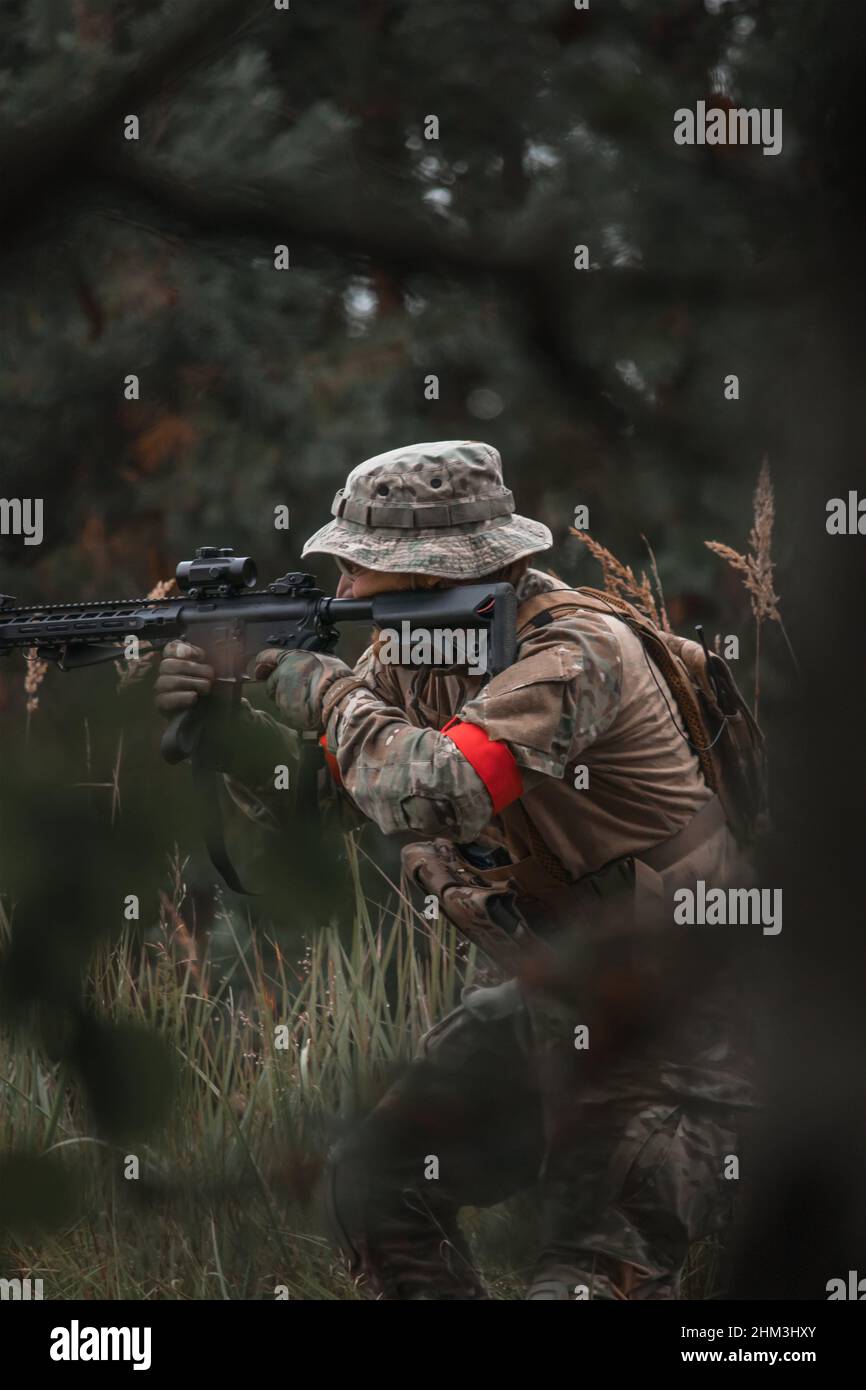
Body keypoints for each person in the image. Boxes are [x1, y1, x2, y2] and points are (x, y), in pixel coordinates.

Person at [155, 439, 757, 1299]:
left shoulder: (580, 653)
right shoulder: (418, 653)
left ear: (441, 574)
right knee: (372, 1182)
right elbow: (334, 797)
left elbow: (447, 788)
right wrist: (231, 732)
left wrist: (324, 691)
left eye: (364, 568)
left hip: (682, 1021)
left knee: (585, 1279)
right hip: (556, 996)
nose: (345, 592)